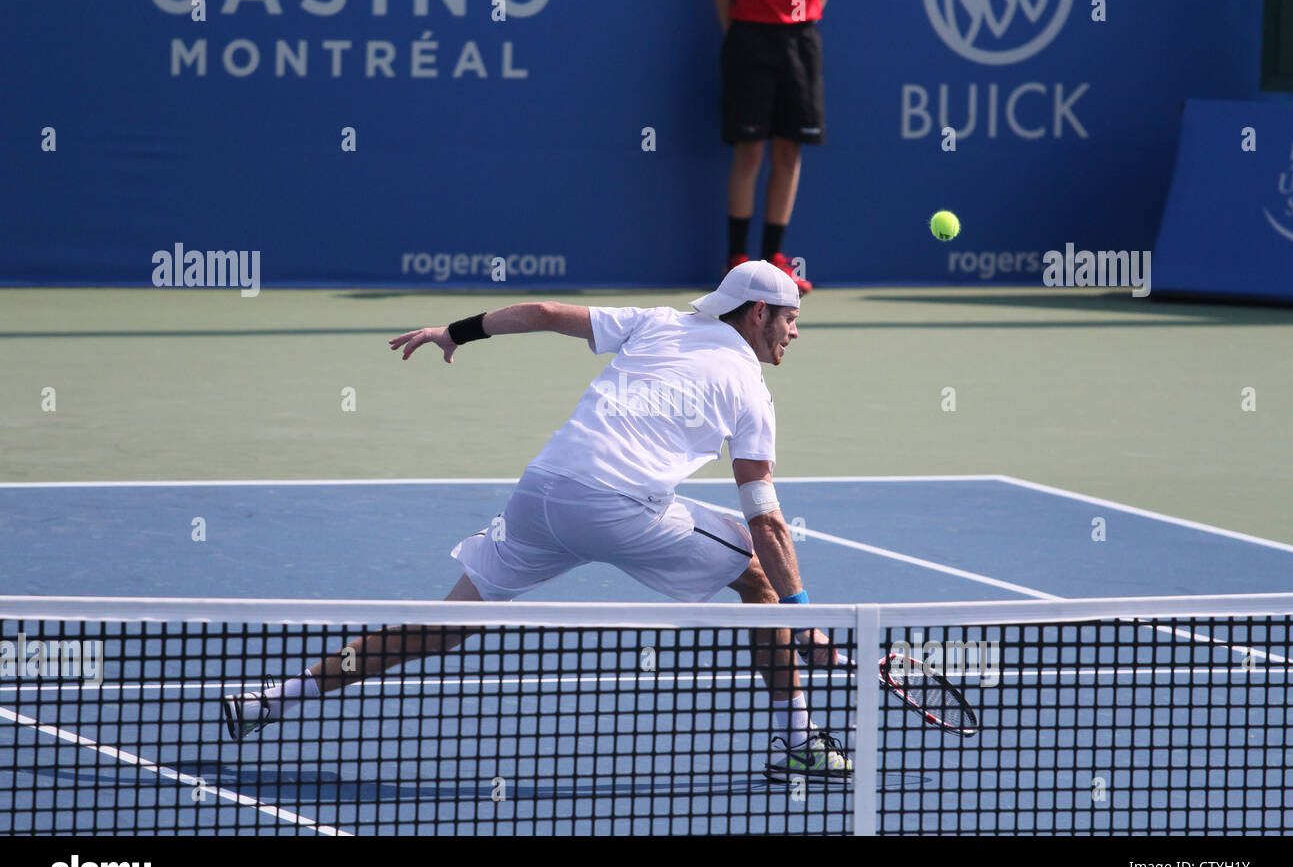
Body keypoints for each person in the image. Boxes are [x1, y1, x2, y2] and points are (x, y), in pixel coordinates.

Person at [221, 261, 850, 782]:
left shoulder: (658, 322)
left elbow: (547, 314)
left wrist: (456, 332)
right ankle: (795, 740)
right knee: (759, 584)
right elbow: (766, 523)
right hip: (618, 506)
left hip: (541, 493)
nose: (795, 333)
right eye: (791, 318)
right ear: (759, 313)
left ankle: (268, 699)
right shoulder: (751, 392)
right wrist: (806, 614)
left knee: (443, 627)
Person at [713, 0, 834, 293]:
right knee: (749, 148)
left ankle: (773, 262)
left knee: (789, 148)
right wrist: (738, 32)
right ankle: (737, 260)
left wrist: (801, 17)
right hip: (749, 38)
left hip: (799, 38)